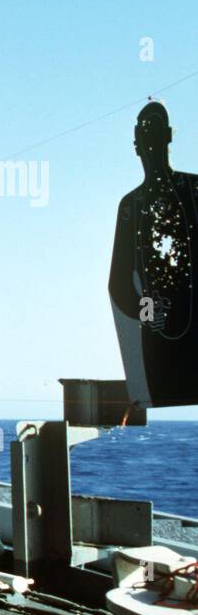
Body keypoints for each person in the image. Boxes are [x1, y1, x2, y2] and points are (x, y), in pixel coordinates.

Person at [108, 102, 198, 408]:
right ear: (136, 145)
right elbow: (119, 283)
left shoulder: (194, 189)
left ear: (168, 137)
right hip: (158, 343)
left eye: (156, 133)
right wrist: (148, 313)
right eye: (145, 136)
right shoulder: (130, 206)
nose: (150, 144)